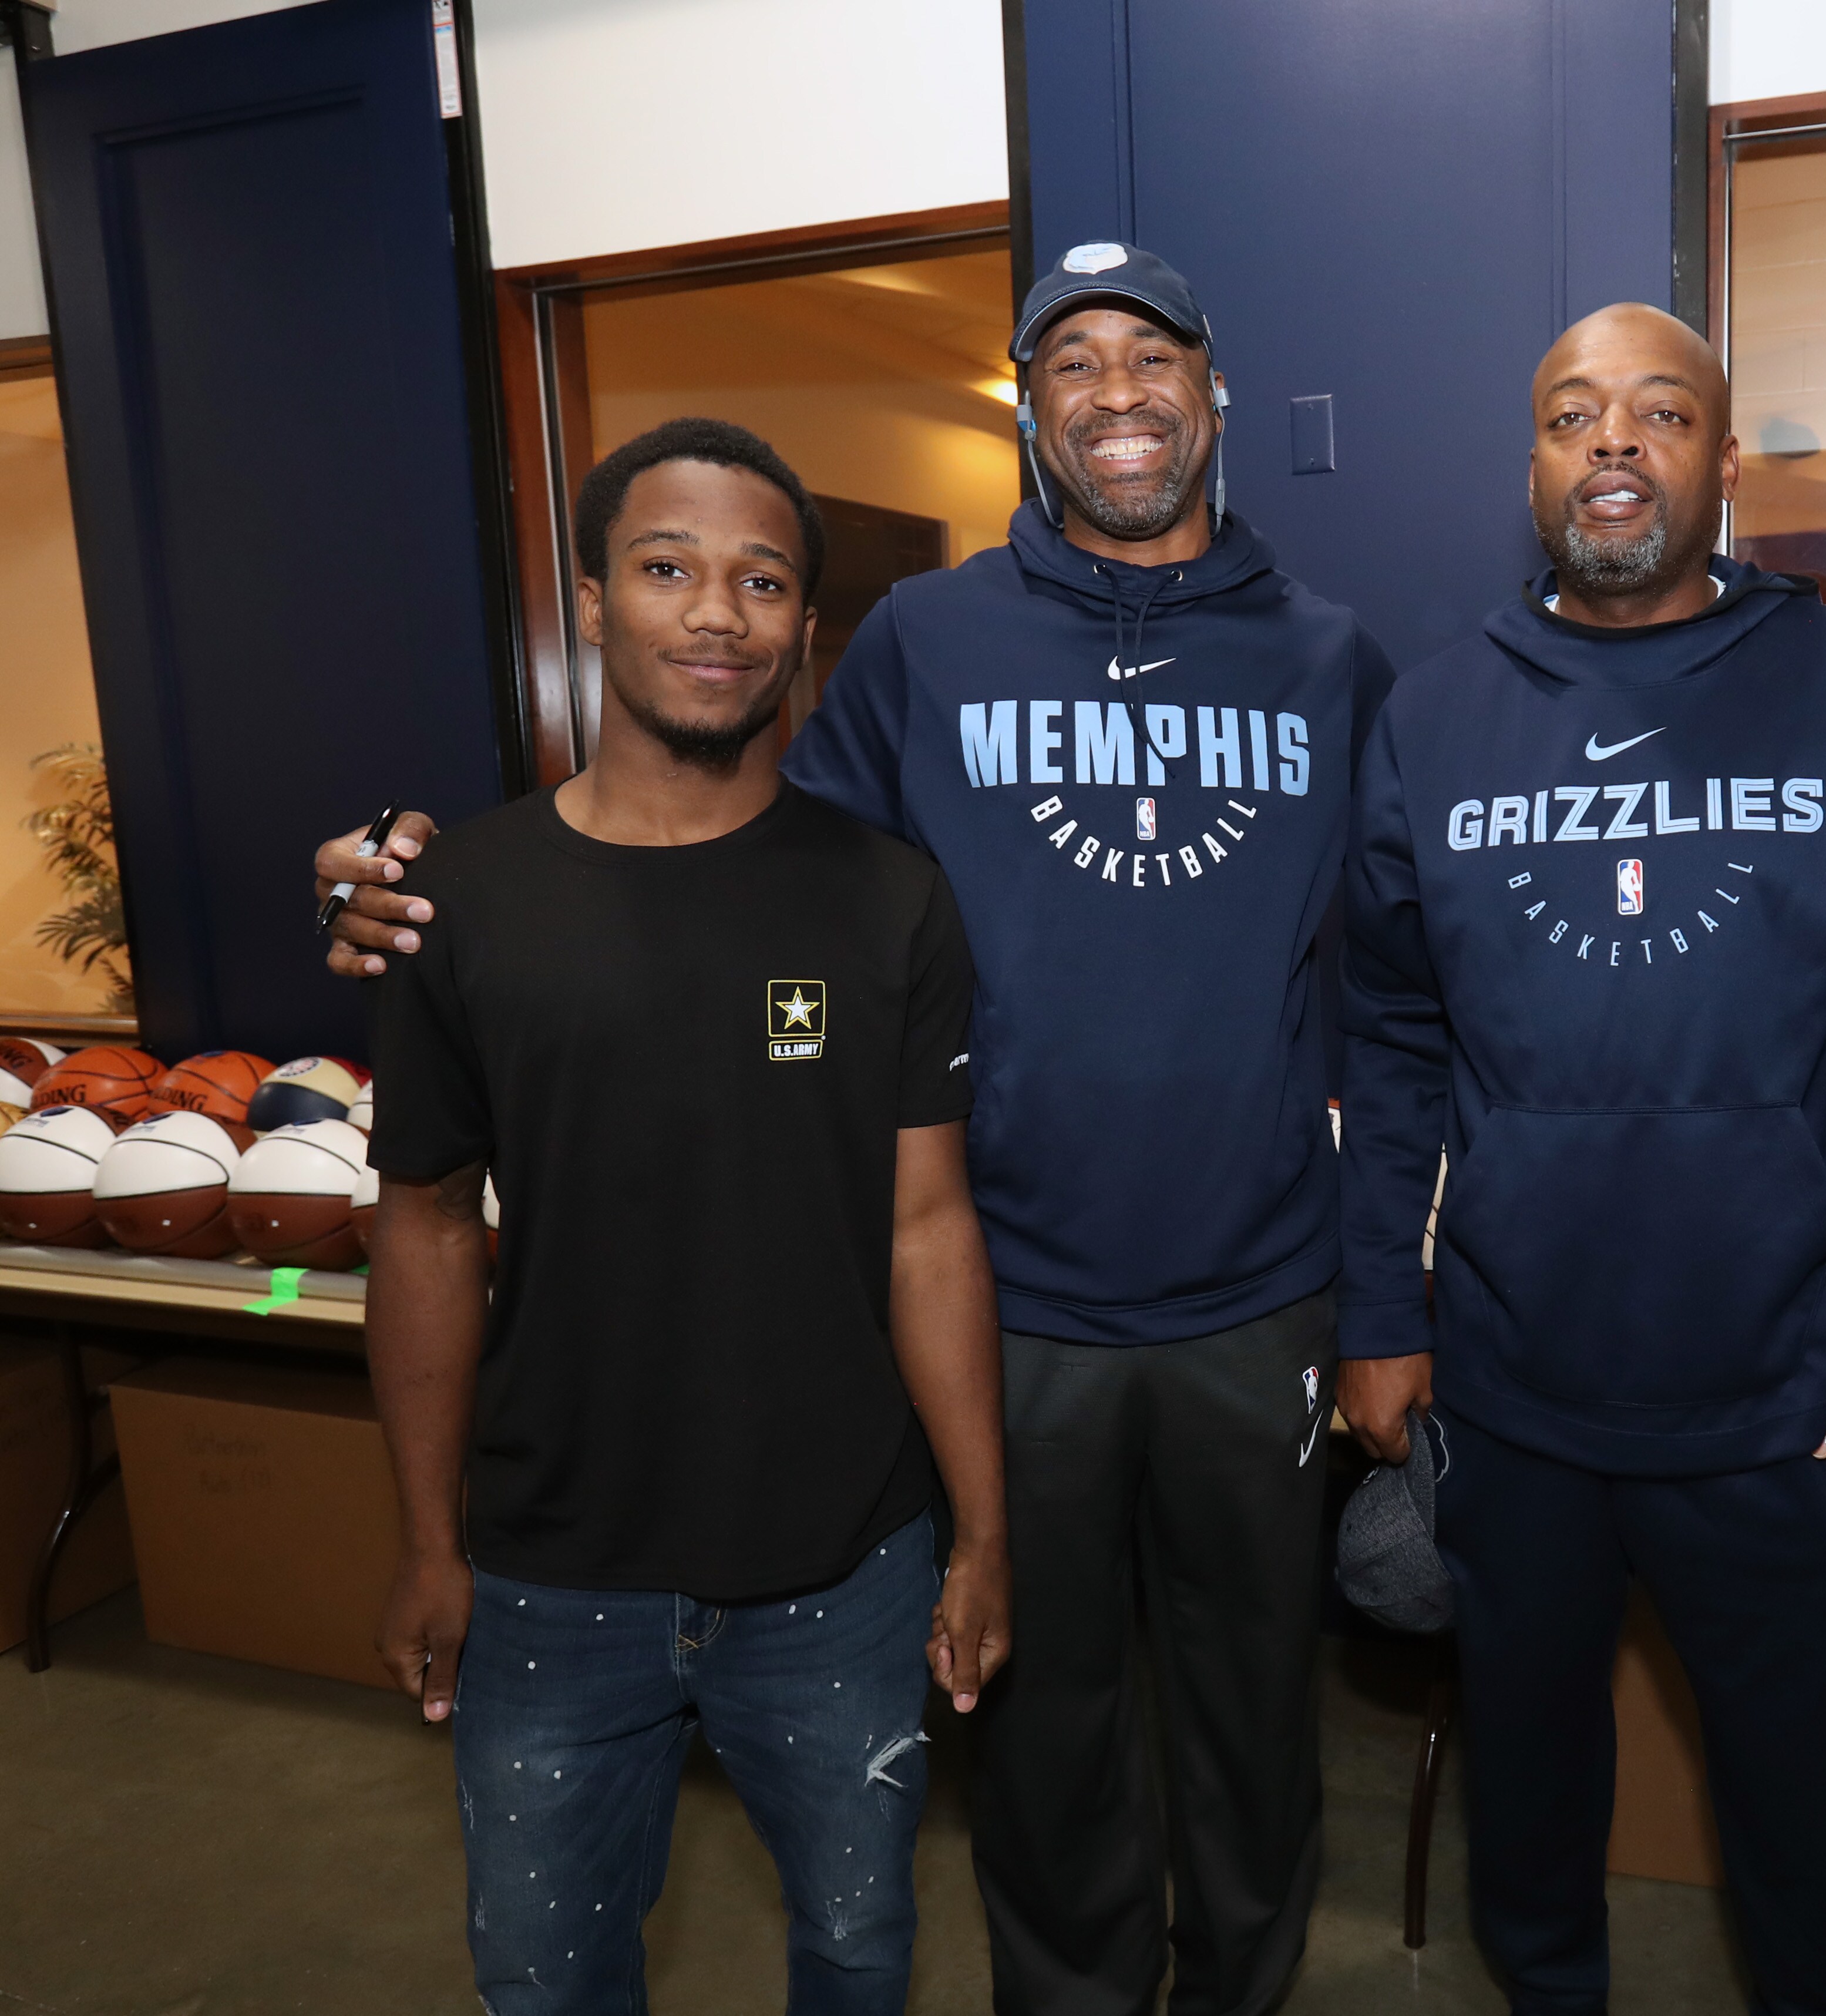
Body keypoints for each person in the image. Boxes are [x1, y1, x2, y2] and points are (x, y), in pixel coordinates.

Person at [321, 247, 1391, 2016]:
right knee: (1037, 1732)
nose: (1117, 391)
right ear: (1029, 409)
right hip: (1004, 1292)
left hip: (1258, 1293)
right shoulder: (927, 641)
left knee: (1257, 1722)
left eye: (1152, 356)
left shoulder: (1331, 659)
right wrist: (421, 887)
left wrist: (1387, 1287)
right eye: (1071, 362)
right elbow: (727, 858)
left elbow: (1406, 961)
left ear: (1213, 392)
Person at [1336, 303, 1826, 2015]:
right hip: (1512, 1395)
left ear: (1722, 460)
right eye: (1573, 415)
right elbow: (1391, 1043)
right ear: (1534, 468)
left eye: (1659, 412)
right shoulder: (1435, 715)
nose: (1613, 441)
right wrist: (1377, 1313)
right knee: (1530, 1825)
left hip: (1786, 1399)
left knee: (1804, 1833)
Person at [365, 417, 1011, 2014]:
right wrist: (429, 1544)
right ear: (592, 601)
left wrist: (982, 1533)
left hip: (841, 1571)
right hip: (552, 1572)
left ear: (805, 625)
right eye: (668, 569)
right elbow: (426, 1228)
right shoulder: (463, 902)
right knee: (545, 1979)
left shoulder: (889, 898)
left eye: (762, 581)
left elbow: (928, 1230)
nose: (718, 613)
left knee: (856, 1954)